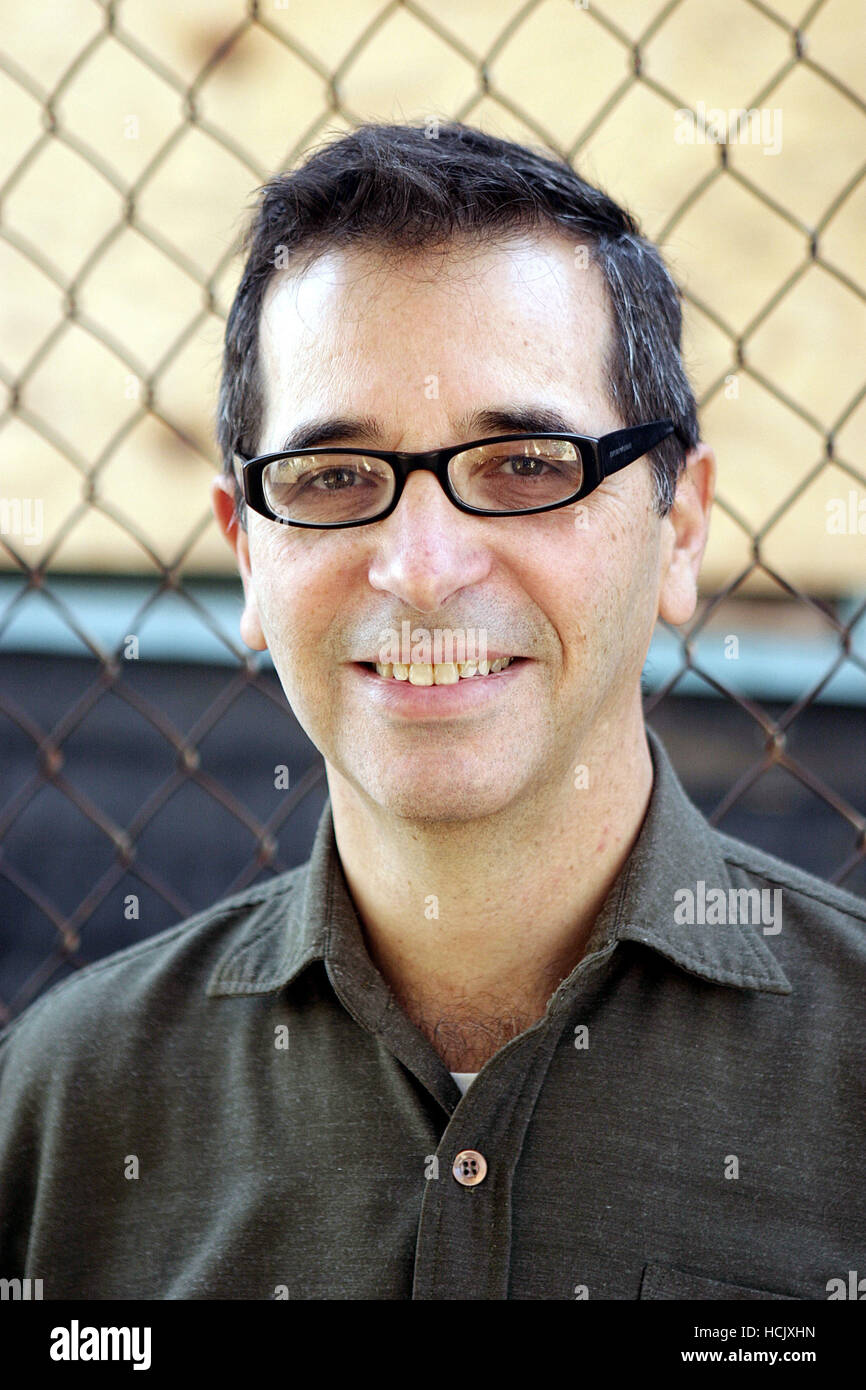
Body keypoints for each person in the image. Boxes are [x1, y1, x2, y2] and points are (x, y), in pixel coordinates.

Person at [1, 121, 864, 1302]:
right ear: (246, 555)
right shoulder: (67, 1105)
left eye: (522, 463)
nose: (420, 566)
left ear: (680, 527)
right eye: (334, 478)